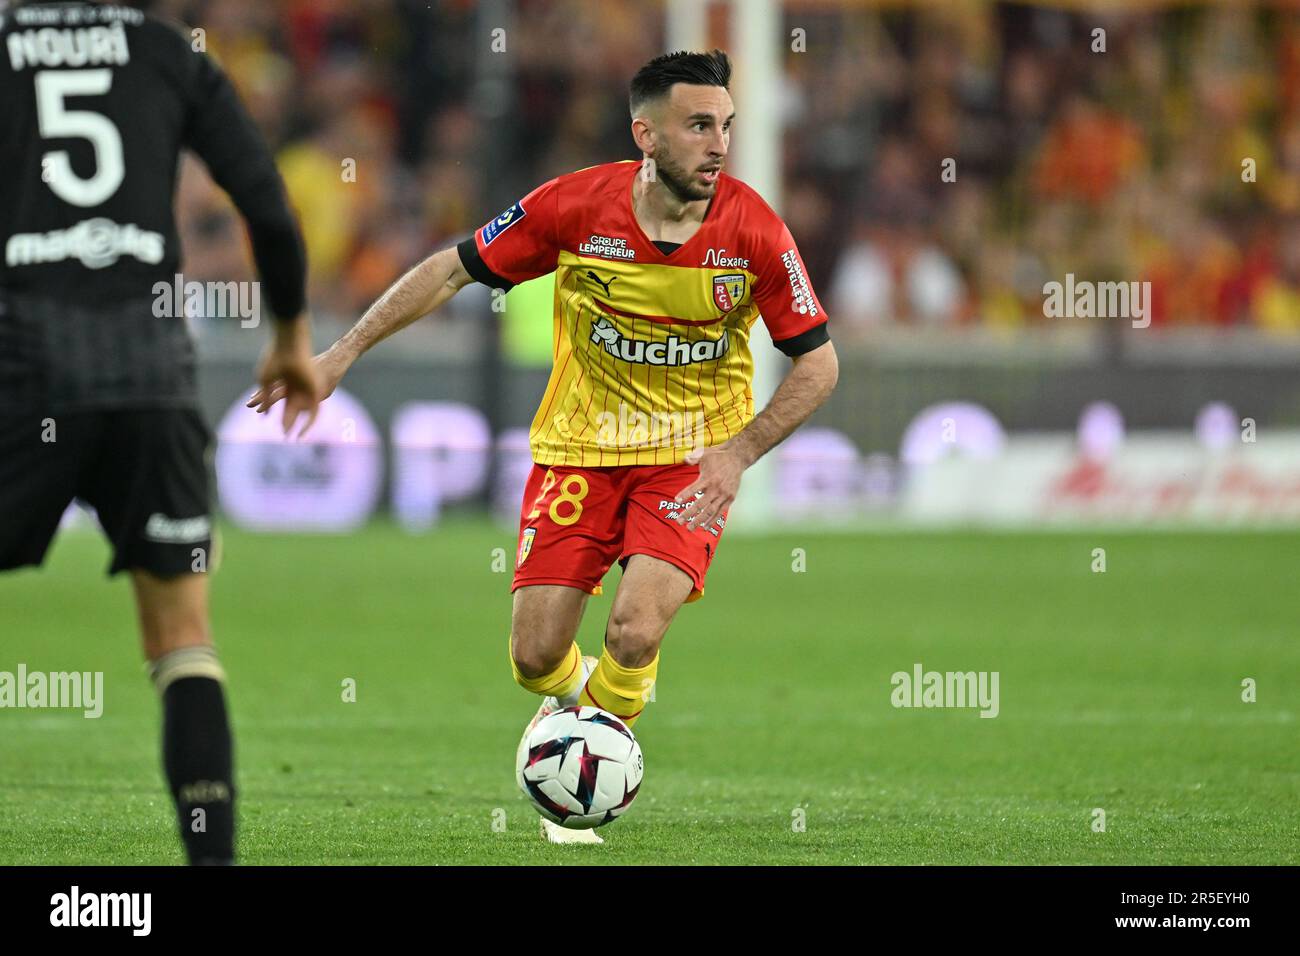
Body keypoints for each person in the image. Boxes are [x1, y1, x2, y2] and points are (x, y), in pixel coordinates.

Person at [251, 49, 838, 843]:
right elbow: (453, 271)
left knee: (634, 630)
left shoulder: (755, 232)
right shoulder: (574, 207)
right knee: (534, 656)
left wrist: (736, 456)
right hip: (579, 450)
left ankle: (585, 773)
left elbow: (819, 363)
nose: (719, 143)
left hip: (688, 459)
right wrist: (339, 354)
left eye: (726, 126)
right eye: (699, 125)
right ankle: (579, 708)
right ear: (647, 134)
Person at [0, 0, 321, 864]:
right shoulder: (165, 53)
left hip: (22, 367)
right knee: (183, 639)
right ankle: (211, 861)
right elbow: (267, 204)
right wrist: (289, 333)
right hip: (150, 371)